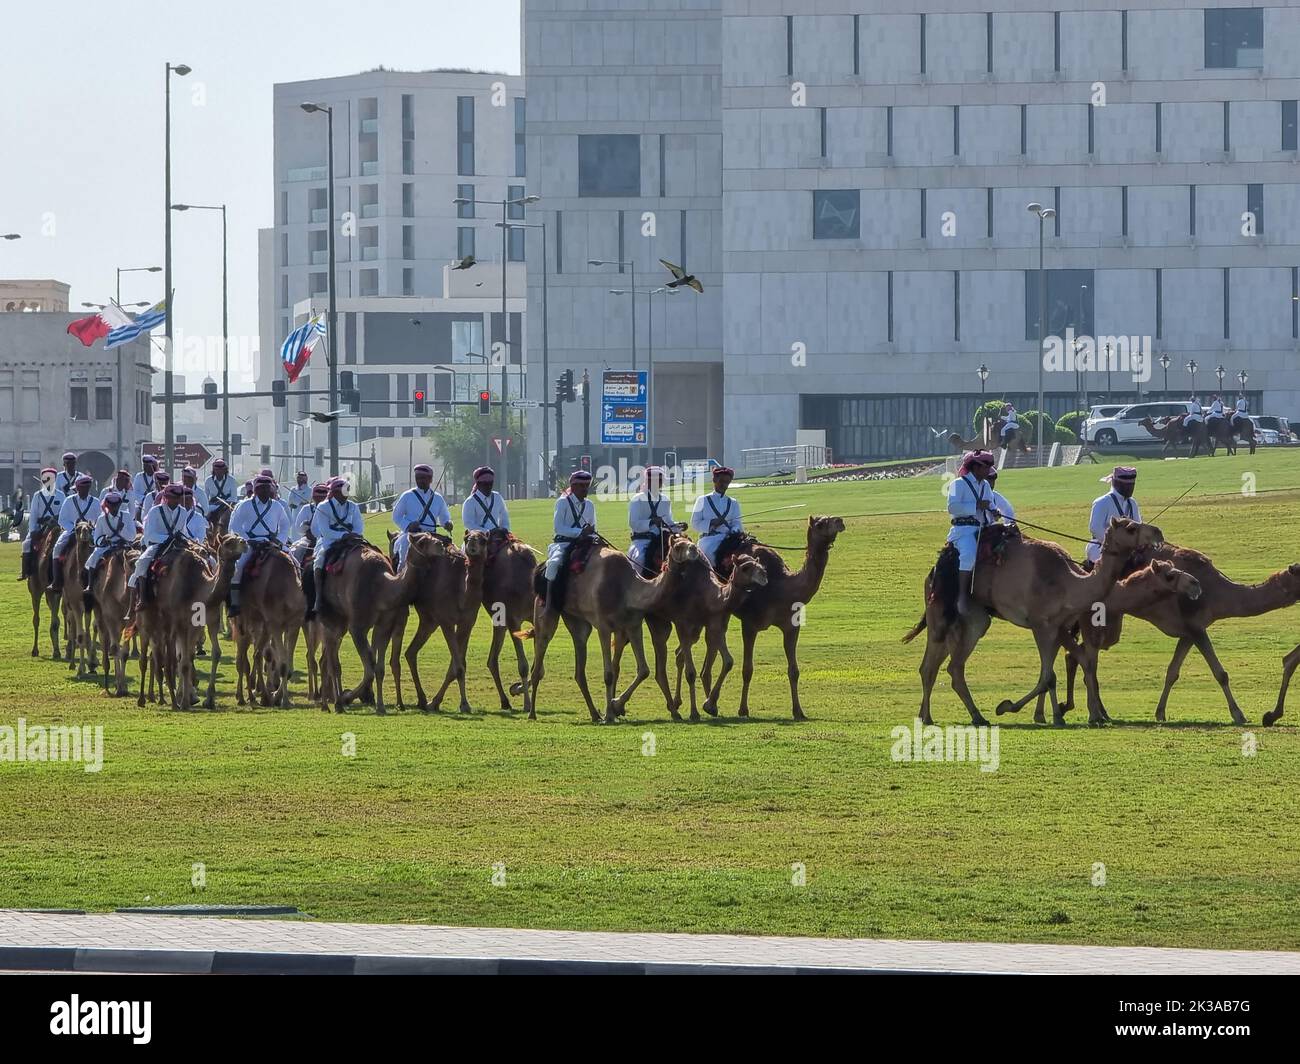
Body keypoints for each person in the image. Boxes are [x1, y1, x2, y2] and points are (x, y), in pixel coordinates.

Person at [125, 483, 200, 622]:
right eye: (172, 497)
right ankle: (142, 598)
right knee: (141, 562)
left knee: (201, 560)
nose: (176, 501)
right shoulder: (155, 511)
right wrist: (167, 538)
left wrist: (187, 540)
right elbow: (149, 534)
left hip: (177, 545)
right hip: (158, 545)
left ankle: (199, 601)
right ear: (166, 497)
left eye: (178, 498)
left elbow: (182, 531)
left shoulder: (182, 511)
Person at [227, 475, 293, 617]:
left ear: (271, 489)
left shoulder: (277, 505)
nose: (264, 491)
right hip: (250, 543)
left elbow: (285, 525)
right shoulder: (245, 505)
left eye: (266, 488)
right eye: (261, 488)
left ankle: (295, 598)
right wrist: (247, 540)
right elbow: (235, 526)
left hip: (271, 543)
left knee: (294, 562)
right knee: (238, 567)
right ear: (255, 490)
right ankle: (235, 603)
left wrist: (279, 541)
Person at [946, 450, 1000, 616]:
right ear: (975, 467)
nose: (988, 470)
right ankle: (962, 596)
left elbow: (989, 506)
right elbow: (952, 508)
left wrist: (995, 512)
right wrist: (976, 505)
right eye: (986, 466)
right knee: (968, 555)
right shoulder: (957, 484)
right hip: (964, 530)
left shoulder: (985, 486)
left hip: (985, 527)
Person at [308, 478, 365, 619]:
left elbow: (359, 527)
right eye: (342, 491)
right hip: (330, 543)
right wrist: (343, 535)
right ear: (334, 492)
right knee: (318, 562)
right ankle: (319, 597)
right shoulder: (323, 507)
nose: (346, 494)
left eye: (347, 491)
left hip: (352, 542)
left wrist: (354, 535)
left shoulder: (353, 506)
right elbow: (325, 531)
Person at [543, 470, 597, 612]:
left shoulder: (590, 505)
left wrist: (591, 534)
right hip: (564, 543)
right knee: (554, 563)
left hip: (585, 543)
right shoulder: (562, 503)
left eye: (587, 486)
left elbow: (593, 527)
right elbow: (559, 528)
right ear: (573, 487)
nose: (585, 489)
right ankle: (547, 601)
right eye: (581, 486)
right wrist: (579, 532)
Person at [391, 465, 452, 570]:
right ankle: (400, 579)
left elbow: (445, 517)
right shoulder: (407, 496)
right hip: (412, 536)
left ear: (430, 479)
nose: (420, 480)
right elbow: (397, 516)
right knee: (404, 556)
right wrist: (409, 525)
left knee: (450, 556)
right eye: (418, 478)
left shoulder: (438, 498)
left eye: (423, 478)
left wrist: (448, 523)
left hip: (433, 535)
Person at [1085, 465, 1142, 570]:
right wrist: (1115, 544)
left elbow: (1138, 527)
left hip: (1128, 549)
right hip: (1101, 548)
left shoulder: (1132, 503)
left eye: (1132, 485)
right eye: (1127, 485)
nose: (1130, 488)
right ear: (1116, 483)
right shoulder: (1102, 502)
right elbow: (1095, 528)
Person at [49, 474, 98, 593]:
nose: (85, 489)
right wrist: (73, 529)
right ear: (77, 488)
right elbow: (62, 519)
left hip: (91, 532)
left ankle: (98, 579)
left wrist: (93, 528)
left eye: (87, 487)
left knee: (101, 550)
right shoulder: (69, 501)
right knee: (57, 548)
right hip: (72, 531)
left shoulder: (95, 502)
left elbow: (99, 520)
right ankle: (57, 580)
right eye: (83, 487)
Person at [627, 465, 681, 575]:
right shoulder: (637, 499)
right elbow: (633, 523)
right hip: (642, 541)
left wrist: (678, 526)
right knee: (640, 559)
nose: (658, 483)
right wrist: (651, 522)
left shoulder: (665, 499)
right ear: (648, 481)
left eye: (660, 480)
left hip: (661, 540)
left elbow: (668, 522)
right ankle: (638, 583)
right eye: (654, 480)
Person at [83, 491, 134, 602]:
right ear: (107, 505)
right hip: (106, 547)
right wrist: (104, 539)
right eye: (111, 504)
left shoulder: (127, 516)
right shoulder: (102, 519)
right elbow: (96, 539)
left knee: (136, 559)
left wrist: (122, 530)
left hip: (124, 545)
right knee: (93, 558)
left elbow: (132, 536)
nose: (114, 507)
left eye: (116, 505)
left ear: (119, 504)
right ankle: (90, 585)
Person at [690, 466, 743, 569]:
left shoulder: (733, 502)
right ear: (714, 480)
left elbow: (737, 523)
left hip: (729, 539)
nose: (724, 485)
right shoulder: (702, 500)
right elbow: (695, 523)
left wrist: (733, 531)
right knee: (714, 556)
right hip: (709, 540)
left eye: (727, 482)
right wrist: (711, 522)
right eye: (721, 481)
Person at [17, 469, 63, 581]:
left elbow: (63, 513)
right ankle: (26, 571)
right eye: (46, 479)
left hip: (56, 527)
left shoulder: (61, 495)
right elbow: (33, 515)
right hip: (40, 527)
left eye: (50, 479)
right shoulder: (37, 495)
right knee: (26, 544)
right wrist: (33, 531)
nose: (48, 481)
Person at [290, 483, 329, 569]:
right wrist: (305, 525)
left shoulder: (330, 509)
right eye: (318, 497)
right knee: (298, 550)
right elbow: (298, 529)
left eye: (323, 497)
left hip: (327, 539)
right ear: (313, 497)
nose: (320, 500)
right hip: (308, 539)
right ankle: (298, 570)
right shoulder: (307, 508)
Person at [461, 466, 510, 534]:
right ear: (478, 484)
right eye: (485, 484)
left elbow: (505, 519)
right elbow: (469, 525)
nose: (489, 486)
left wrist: (504, 530)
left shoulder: (497, 497)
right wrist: (488, 532)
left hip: (497, 536)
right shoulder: (470, 502)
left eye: (491, 483)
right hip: (478, 538)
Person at [131, 454, 160, 519]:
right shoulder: (139, 476)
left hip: (156, 501)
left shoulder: (159, 476)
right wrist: (144, 499)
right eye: (144, 465)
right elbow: (135, 492)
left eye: (147, 466)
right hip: (141, 503)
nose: (145, 468)